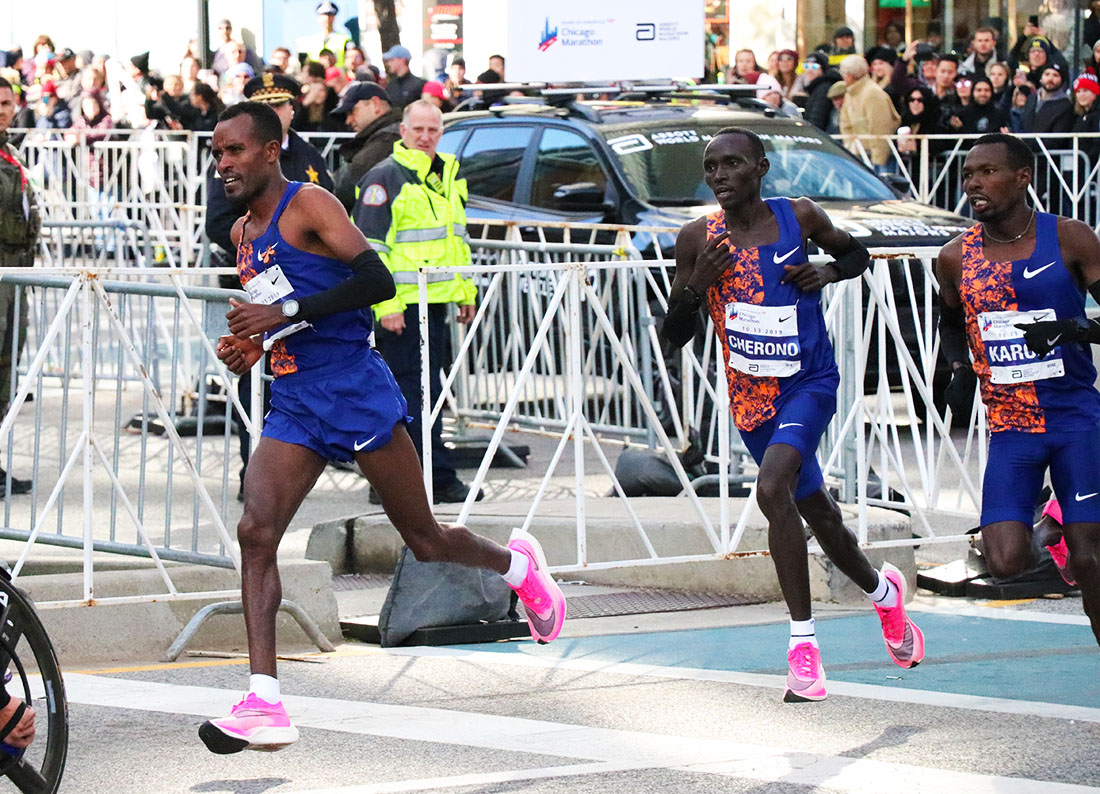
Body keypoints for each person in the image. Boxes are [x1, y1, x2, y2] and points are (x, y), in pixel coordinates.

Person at [199, 101, 565, 753]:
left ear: (270, 149)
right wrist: (251, 346)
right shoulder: (242, 237)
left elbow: (374, 278)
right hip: (296, 398)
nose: (222, 163)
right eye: (216, 152)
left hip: (354, 385)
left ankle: (518, 569)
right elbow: (277, 319)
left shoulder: (309, 204)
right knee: (256, 531)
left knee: (424, 539)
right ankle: (265, 701)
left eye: (233, 151)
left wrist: (284, 307)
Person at [661, 126, 925, 702]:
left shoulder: (797, 217)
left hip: (809, 381)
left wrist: (827, 272)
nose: (721, 176)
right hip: (751, 401)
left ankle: (803, 650)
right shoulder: (696, 239)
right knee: (819, 515)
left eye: (733, 164)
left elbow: (855, 254)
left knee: (772, 486)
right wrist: (695, 287)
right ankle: (884, 595)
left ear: (761, 167)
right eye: (711, 168)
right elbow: (670, 338)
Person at [934, 132, 1100, 648]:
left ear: (1023, 176)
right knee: (1004, 562)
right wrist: (959, 368)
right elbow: (950, 321)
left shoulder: (1070, 238)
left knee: (1091, 556)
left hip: (1074, 419)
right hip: (1012, 427)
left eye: (987, 172)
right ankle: (1049, 530)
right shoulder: (955, 257)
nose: (973, 184)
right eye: (967, 175)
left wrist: (1072, 330)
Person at [205, 73, 334, 497]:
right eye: (267, 106)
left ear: (291, 110)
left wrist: (296, 251)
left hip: (323, 325)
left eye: (281, 106)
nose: (277, 113)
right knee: (257, 390)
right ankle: (256, 475)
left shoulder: (309, 160)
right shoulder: (234, 163)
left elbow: (350, 253)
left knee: (425, 535)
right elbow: (220, 221)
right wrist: (264, 245)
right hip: (260, 299)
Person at [353, 100, 481, 505]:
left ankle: (432, 476)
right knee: (403, 398)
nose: (426, 137)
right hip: (401, 310)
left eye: (434, 130)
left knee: (431, 394)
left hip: (436, 304)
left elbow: (455, 243)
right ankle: (399, 483)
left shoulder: (444, 177)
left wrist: (465, 293)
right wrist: (385, 306)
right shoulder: (385, 178)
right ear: (403, 132)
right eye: (419, 130)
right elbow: (371, 250)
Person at [0, 76, 38, 496]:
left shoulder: (10, 154)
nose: (2, 110)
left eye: (7, 103)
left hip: (13, 279)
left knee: (5, 372)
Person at [330, 81, 402, 212]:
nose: (348, 120)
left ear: (375, 104)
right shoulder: (387, 134)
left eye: (352, 111)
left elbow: (346, 185)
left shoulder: (387, 138)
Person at [837, 55, 900, 174]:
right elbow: (845, 124)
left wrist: (878, 162)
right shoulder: (850, 93)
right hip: (857, 155)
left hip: (875, 159)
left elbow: (880, 128)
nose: (842, 76)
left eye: (844, 73)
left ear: (850, 75)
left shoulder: (873, 93)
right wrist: (850, 149)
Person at [299, 2, 351, 68]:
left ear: (334, 18)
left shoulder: (345, 40)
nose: (327, 18)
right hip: (317, 76)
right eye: (324, 15)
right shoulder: (311, 41)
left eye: (330, 15)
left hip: (337, 76)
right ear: (319, 18)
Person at [382, 45, 426, 109]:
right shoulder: (391, 85)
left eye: (392, 60)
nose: (389, 64)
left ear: (402, 60)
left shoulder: (419, 84)